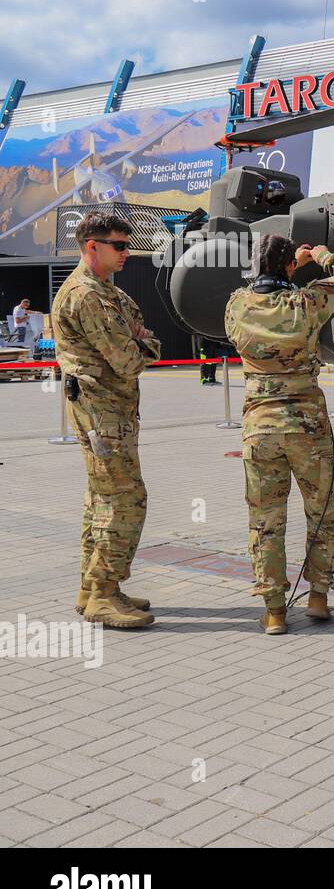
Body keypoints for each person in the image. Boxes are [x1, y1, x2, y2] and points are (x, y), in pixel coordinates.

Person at [224, 234, 334, 635]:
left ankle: (274, 611)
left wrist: (282, 268)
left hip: (259, 429)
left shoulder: (237, 304)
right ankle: (318, 596)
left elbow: (259, 286)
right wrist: (319, 256)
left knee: (266, 520)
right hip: (308, 427)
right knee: (320, 513)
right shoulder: (307, 302)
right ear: (290, 266)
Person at [52, 212, 159, 628]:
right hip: (103, 413)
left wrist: (139, 339)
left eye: (127, 244)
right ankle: (103, 594)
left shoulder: (104, 290)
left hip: (108, 411)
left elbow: (138, 332)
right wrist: (143, 344)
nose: (126, 253)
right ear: (92, 246)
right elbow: (129, 358)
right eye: (119, 245)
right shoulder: (88, 295)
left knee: (100, 500)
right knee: (126, 500)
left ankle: (94, 587)